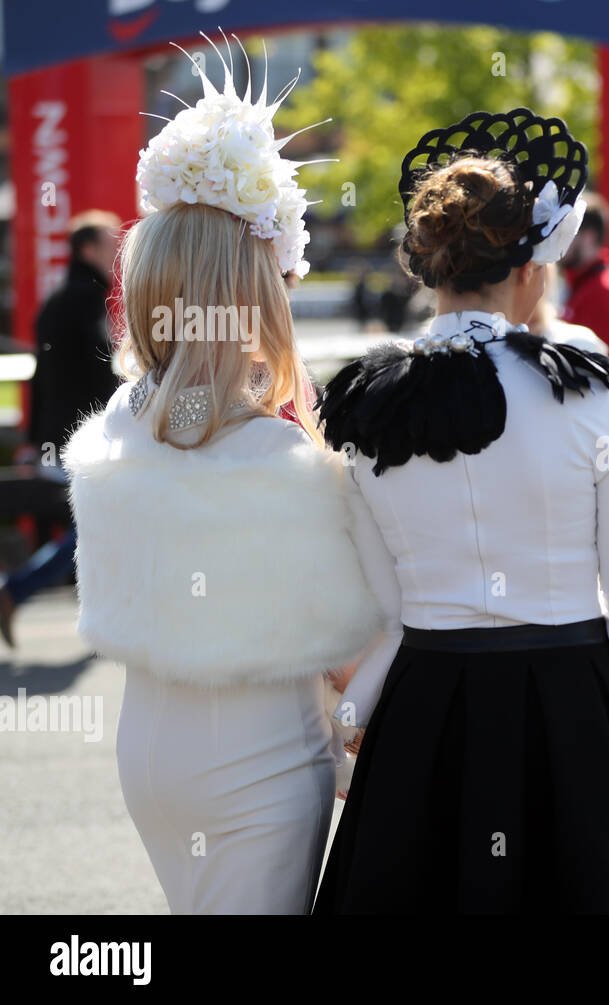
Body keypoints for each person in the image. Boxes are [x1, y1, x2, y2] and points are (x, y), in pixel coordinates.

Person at [311, 108, 609, 915]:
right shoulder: (583, 389)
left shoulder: (368, 403)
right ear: (530, 269)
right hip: (567, 706)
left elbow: (385, 601)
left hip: (427, 709)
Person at [60, 42, 387, 914]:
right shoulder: (285, 464)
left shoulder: (118, 435)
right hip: (261, 762)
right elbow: (353, 643)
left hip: (149, 753)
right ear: (256, 291)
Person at [0, 211, 123, 646]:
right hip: (83, 436)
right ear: (87, 250)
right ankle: (18, 591)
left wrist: (36, 438)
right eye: (110, 244)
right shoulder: (84, 299)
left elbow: (42, 374)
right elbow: (98, 374)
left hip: (64, 434)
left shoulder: (63, 298)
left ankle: (96, 617)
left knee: (95, 526)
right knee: (96, 527)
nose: (116, 253)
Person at [561, 193, 609, 371]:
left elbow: (592, 367)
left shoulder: (604, 290)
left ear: (589, 237)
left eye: (568, 233)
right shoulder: (588, 284)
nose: (561, 241)